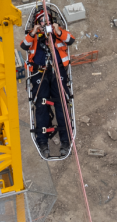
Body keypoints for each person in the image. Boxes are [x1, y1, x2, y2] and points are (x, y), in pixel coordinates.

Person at [20, 16, 75, 158]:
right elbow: (24, 45)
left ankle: (65, 140)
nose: (46, 25)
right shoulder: (33, 36)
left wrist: (57, 30)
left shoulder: (58, 33)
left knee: (61, 104)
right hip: (39, 73)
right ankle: (42, 141)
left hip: (58, 71)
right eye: (43, 22)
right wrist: (33, 32)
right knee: (41, 106)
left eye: (48, 22)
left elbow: (70, 40)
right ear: (38, 24)